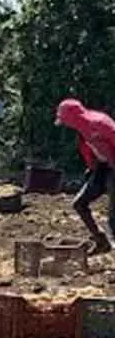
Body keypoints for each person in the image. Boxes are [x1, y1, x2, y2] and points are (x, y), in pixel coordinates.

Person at [56, 98, 115, 255]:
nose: (65, 124)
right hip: (102, 168)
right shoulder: (81, 130)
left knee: (113, 217)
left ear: (72, 117)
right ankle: (101, 242)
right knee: (79, 204)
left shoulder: (100, 123)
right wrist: (92, 168)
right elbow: (90, 152)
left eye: (64, 120)